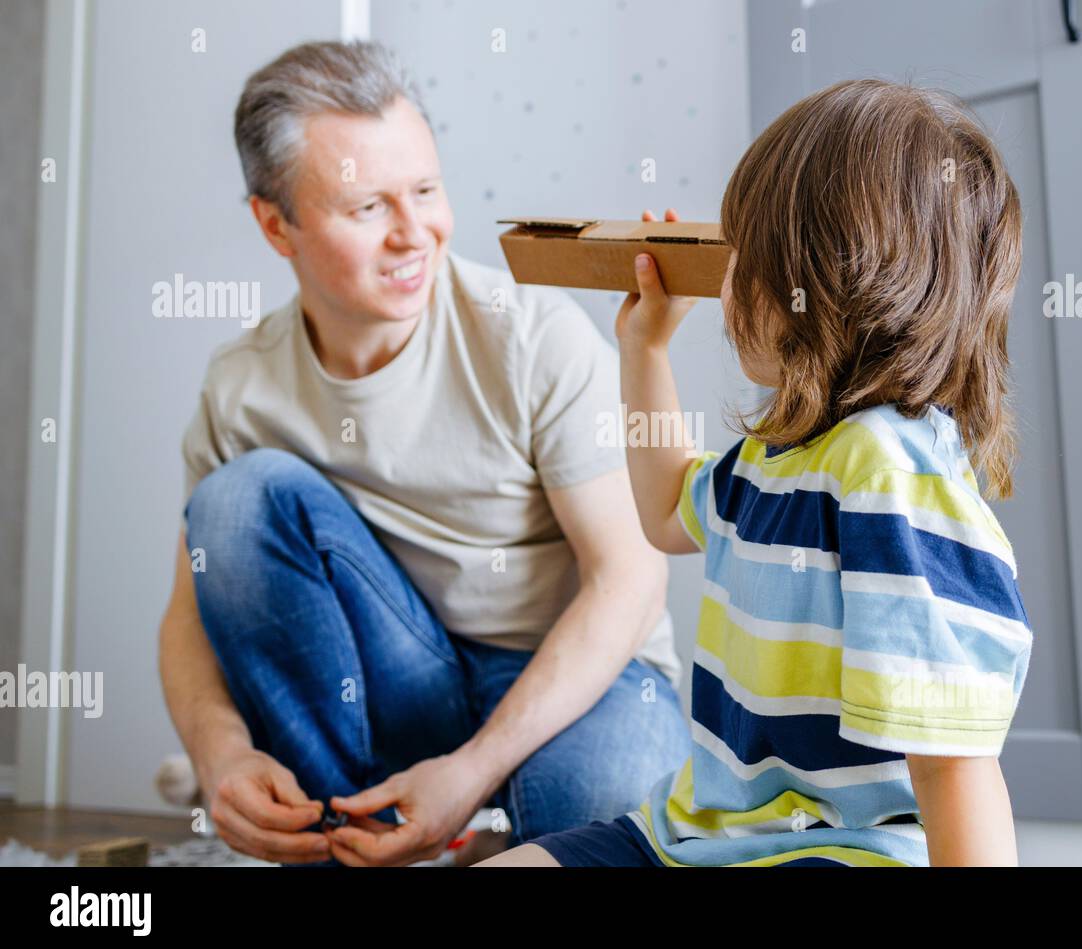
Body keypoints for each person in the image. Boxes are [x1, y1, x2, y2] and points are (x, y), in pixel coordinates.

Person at [157, 40, 691, 867]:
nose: (415, 235)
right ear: (277, 227)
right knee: (234, 501)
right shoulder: (243, 385)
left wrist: (471, 771)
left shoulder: (531, 338)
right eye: (367, 209)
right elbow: (189, 615)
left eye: (427, 191)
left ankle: (469, 826)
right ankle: (357, 830)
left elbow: (630, 577)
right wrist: (219, 755)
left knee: (605, 817)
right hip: (407, 680)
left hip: (581, 681)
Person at [482, 77, 1034, 866]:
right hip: (695, 836)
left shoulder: (888, 471)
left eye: (747, 254)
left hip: (838, 849)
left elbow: (955, 760)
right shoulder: (776, 455)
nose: (726, 279)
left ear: (831, 279)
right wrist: (645, 349)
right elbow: (668, 512)